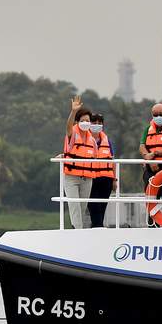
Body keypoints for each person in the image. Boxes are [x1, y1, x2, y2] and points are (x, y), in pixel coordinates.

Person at [62, 96, 95, 229]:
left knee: (82, 208)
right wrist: (73, 111)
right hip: (71, 177)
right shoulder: (72, 134)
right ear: (77, 122)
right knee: (74, 207)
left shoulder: (92, 140)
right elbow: (68, 126)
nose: (85, 123)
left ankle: (79, 232)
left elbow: (95, 157)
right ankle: (77, 232)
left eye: (88, 121)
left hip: (87, 178)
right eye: (82, 121)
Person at [85, 113, 116, 228]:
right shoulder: (85, 139)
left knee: (103, 207)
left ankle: (98, 228)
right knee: (94, 207)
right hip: (90, 178)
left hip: (106, 178)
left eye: (99, 123)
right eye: (94, 123)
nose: (97, 125)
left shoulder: (106, 140)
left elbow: (112, 160)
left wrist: (114, 179)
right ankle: (97, 229)